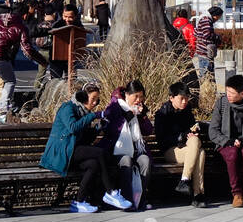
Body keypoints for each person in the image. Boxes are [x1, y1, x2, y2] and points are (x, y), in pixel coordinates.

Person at [40, 85, 109, 213]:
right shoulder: (68, 108)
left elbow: (85, 141)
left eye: (97, 100)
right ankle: (111, 192)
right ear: (83, 97)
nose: (94, 103)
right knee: (99, 153)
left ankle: (79, 202)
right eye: (93, 99)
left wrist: (99, 127)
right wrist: (93, 116)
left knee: (93, 165)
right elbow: (72, 127)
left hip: (71, 152)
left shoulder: (84, 113)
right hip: (60, 153)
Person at [0, 6, 46, 123]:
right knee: (10, 81)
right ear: (24, 15)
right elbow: (27, 49)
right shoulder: (20, 26)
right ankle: (3, 108)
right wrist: (42, 60)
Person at [208, 73, 243, 208]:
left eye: (232, 93)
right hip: (226, 143)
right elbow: (213, 131)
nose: (228, 95)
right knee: (232, 153)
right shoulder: (221, 103)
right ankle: (237, 194)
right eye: (227, 91)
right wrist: (227, 141)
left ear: (242, 93)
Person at [100, 80, 153, 210]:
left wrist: (142, 116)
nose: (138, 100)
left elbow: (148, 131)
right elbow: (110, 129)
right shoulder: (115, 106)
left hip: (136, 150)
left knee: (145, 160)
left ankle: (140, 198)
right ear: (127, 95)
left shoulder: (138, 110)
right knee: (126, 160)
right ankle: (127, 199)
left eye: (141, 97)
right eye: (136, 96)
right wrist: (128, 117)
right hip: (117, 150)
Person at [154, 81, 207, 207]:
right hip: (171, 151)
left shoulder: (187, 111)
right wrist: (181, 137)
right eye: (181, 98)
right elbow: (162, 140)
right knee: (199, 153)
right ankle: (198, 194)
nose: (185, 102)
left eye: (187, 98)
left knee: (198, 148)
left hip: (188, 149)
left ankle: (185, 180)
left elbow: (190, 130)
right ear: (171, 98)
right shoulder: (162, 114)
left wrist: (193, 132)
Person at [194, 6, 222, 81]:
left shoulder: (204, 19)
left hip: (204, 51)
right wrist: (217, 37)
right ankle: (204, 90)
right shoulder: (206, 20)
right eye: (219, 17)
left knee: (208, 74)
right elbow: (207, 35)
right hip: (205, 51)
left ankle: (209, 90)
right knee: (205, 74)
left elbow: (197, 33)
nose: (218, 19)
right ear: (215, 15)